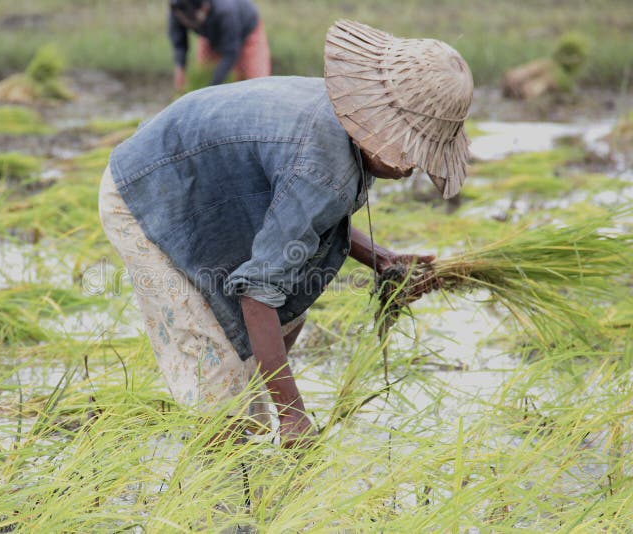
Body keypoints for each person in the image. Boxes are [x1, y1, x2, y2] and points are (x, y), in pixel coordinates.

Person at [100, 20, 473, 447]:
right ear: (379, 125)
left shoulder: (351, 128)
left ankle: (247, 459)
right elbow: (257, 292)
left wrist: (383, 259)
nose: (409, 168)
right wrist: (293, 415)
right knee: (221, 387)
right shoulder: (322, 167)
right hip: (147, 191)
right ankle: (212, 497)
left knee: (278, 328)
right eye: (409, 153)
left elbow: (309, 220)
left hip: (208, 185)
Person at [168, 0, 270, 92]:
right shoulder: (178, 9)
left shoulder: (225, 11)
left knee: (256, 82)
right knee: (205, 73)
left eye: (193, 22)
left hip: (247, 33)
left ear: (204, 8)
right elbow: (179, 43)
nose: (189, 24)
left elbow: (231, 52)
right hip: (209, 36)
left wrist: (213, 86)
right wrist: (180, 68)